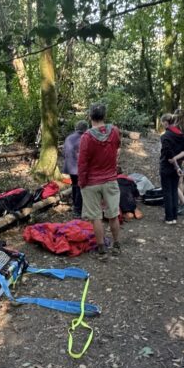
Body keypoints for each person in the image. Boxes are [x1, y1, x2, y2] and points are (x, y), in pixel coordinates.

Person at [77, 103, 122, 256]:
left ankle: (102, 248)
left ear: (90, 116)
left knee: (96, 217)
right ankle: (116, 244)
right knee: (113, 214)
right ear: (104, 116)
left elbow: (82, 162)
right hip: (110, 179)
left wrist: (81, 182)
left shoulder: (87, 137)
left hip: (91, 182)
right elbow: (117, 148)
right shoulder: (115, 131)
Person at [159, 114, 184, 224]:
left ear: (166, 122)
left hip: (167, 166)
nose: (162, 124)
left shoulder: (165, 136)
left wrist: (174, 162)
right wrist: (177, 163)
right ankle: (174, 217)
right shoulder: (181, 134)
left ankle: (169, 218)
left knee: (167, 191)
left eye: (162, 122)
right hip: (178, 166)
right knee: (174, 190)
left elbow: (168, 154)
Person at [62, 120, 88, 217]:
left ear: (76, 128)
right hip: (79, 168)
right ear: (86, 129)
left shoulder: (69, 138)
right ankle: (77, 210)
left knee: (74, 185)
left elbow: (64, 153)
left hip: (69, 167)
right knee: (80, 187)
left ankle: (75, 205)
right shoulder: (84, 138)